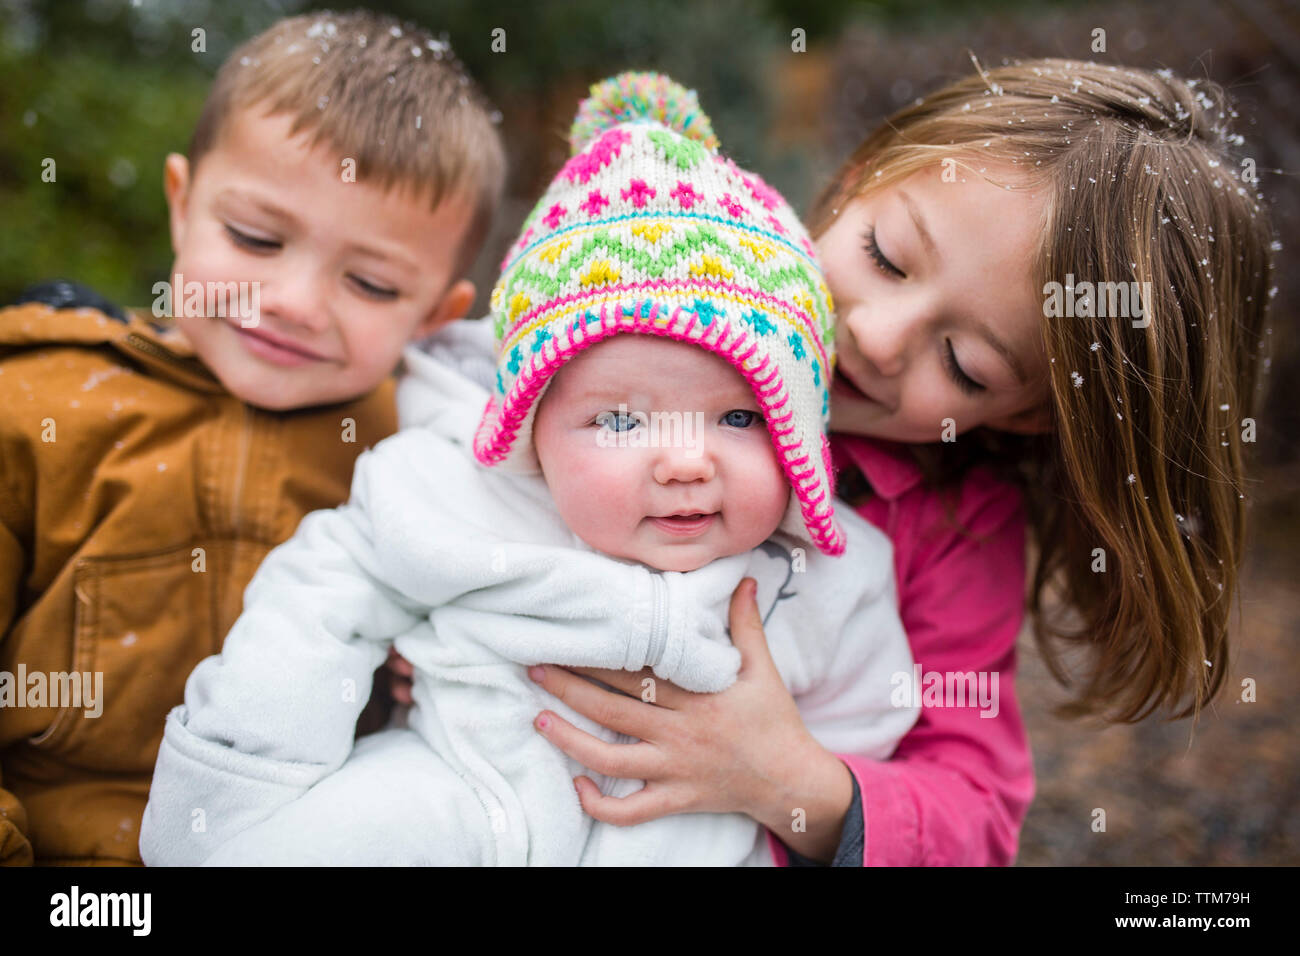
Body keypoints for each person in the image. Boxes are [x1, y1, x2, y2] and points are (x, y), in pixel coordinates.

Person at [139, 72, 920, 867]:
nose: (688, 462)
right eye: (619, 420)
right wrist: (238, 791)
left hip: (686, 839)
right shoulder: (450, 495)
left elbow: (860, 733)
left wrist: (782, 790)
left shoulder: (831, 576)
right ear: (532, 424)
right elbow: (314, 612)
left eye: (740, 418)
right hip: (459, 791)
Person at [511, 59, 1274, 865]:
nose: (877, 337)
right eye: (885, 255)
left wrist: (787, 780)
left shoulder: (956, 528)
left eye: (965, 364)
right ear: (854, 182)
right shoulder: (647, 287)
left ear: (1023, 414)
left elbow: (975, 814)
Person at [0, 9, 505, 866]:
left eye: (372, 283)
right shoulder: (34, 408)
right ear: (180, 204)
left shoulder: (434, 464)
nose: (296, 302)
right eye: (255, 238)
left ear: (437, 316)